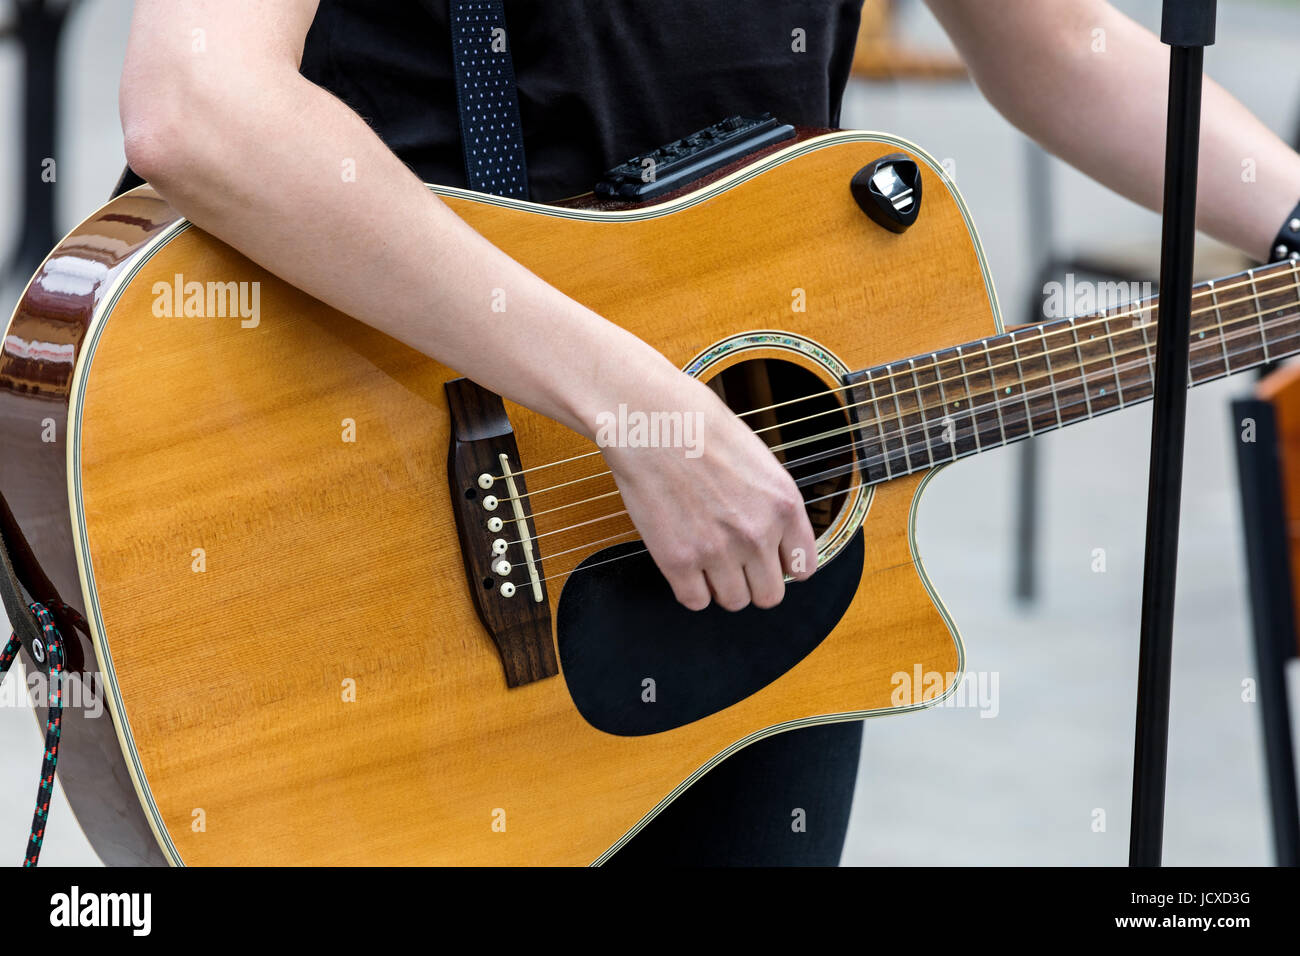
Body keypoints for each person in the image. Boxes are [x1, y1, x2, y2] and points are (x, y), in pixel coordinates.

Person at [118, 0, 1300, 865]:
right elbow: (197, 101)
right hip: (363, 536)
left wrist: (1293, 220)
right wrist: (629, 407)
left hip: (768, 536)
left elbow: (1057, 44)